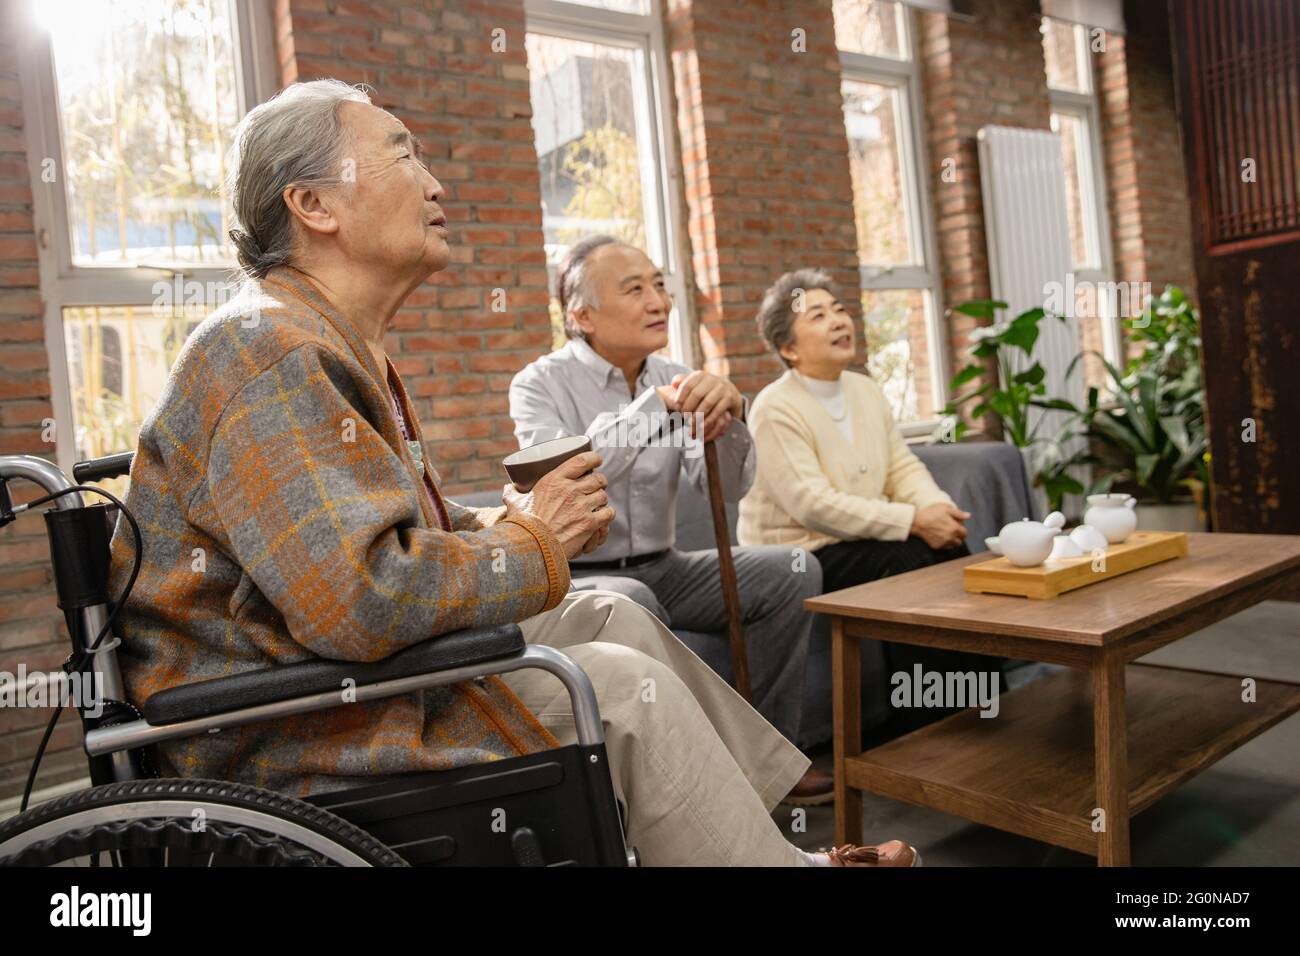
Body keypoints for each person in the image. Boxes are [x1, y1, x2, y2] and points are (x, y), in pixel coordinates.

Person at [107, 81, 911, 865]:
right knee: (620, 686)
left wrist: (487, 524)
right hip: (291, 727)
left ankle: (764, 847)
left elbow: (371, 533)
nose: (435, 182)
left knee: (615, 618)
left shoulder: (323, 340)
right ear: (314, 206)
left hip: (339, 678)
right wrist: (533, 539)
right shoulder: (269, 351)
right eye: (403, 156)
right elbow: (361, 601)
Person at [509, 235, 832, 805]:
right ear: (581, 314)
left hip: (669, 565)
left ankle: (771, 759)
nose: (657, 299)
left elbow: (726, 488)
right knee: (630, 596)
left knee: (792, 572)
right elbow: (563, 475)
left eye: (660, 284)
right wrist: (655, 407)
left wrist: (728, 420)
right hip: (580, 577)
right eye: (634, 289)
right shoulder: (540, 384)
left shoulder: (680, 374)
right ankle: (700, 780)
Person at [739, 268, 1000, 736]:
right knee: (909, 561)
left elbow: (902, 467)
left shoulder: (864, 389)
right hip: (801, 554)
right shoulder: (774, 408)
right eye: (817, 315)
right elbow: (813, 505)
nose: (839, 320)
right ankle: (922, 727)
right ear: (789, 347)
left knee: (953, 550)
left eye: (839, 309)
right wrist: (912, 521)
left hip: (861, 538)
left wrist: (936, 509)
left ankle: (979, 705)